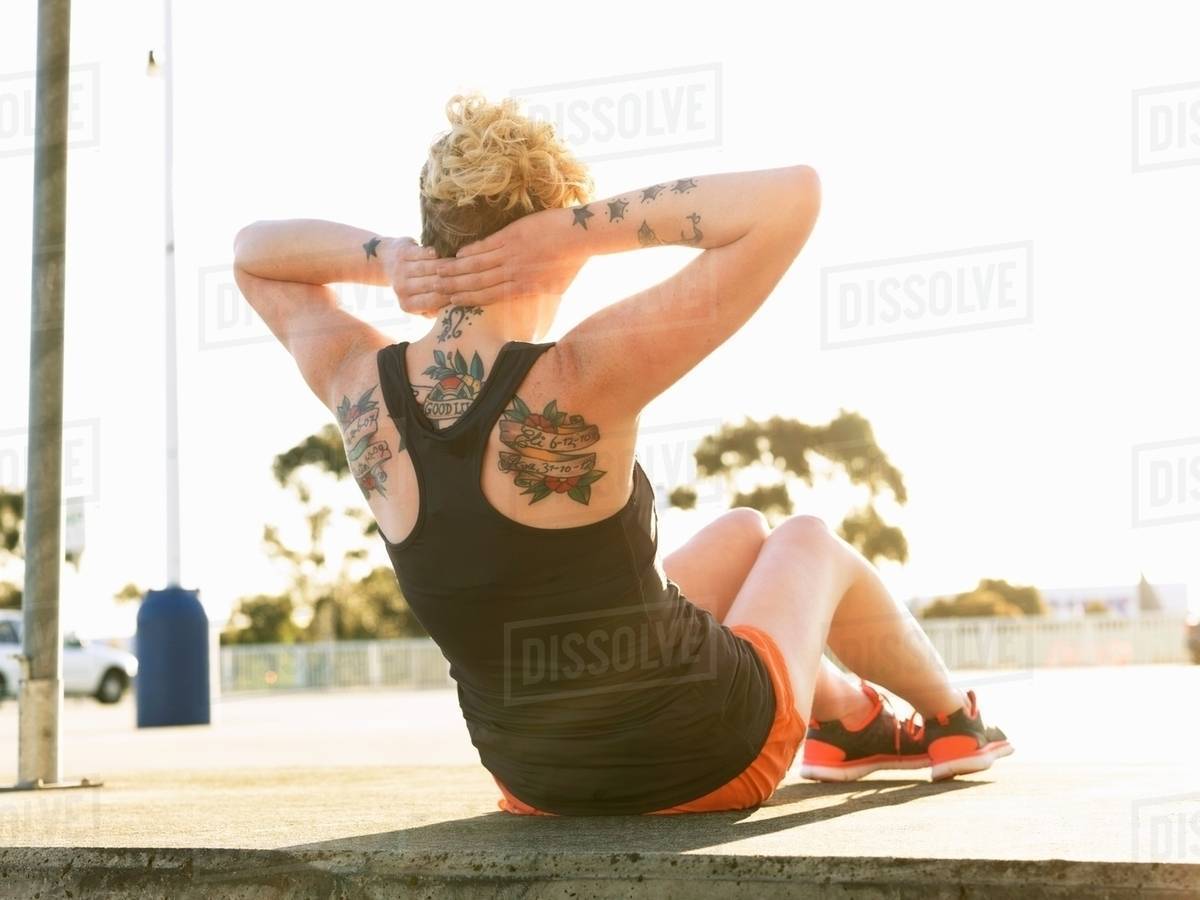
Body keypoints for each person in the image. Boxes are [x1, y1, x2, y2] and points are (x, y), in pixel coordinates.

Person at [232, 92, 1012, 816]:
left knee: (744, 532)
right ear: (549, 238)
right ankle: (951, 721)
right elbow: (792, 197)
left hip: (535, 781)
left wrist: (387, 259)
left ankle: (848, 719)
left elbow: (253, 254)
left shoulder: (360, 387)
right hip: (704, 759)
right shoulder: (581, 376)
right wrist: (578, 231)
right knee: (806, 540)